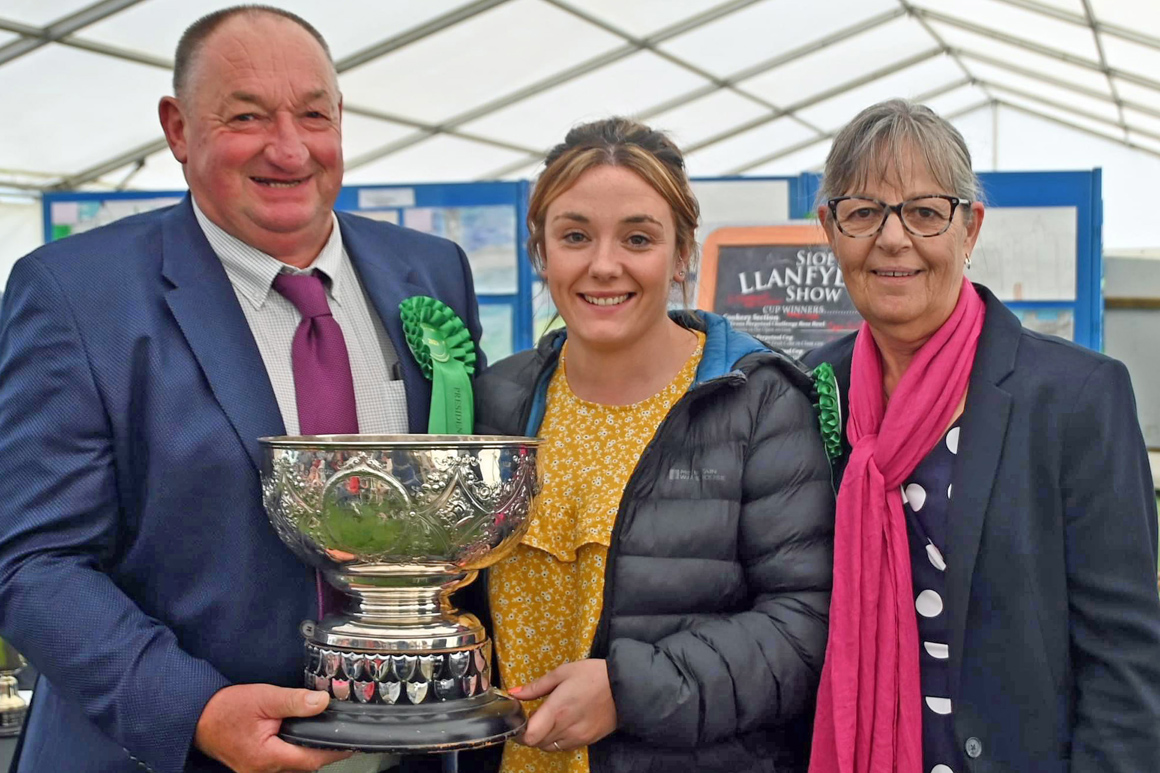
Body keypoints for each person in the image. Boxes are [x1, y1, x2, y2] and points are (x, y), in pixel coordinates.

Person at [0, 7, 483, 773]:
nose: (288, 148)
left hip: (407, 752)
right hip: (172, 754)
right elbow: (35, 561)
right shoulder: (74, 294)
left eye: (313, 115)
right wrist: (193, 707)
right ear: (179, 129)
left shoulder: (430, 271)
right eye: (247, 116)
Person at [803, 99, 1160, 773]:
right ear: (830, 228)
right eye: (863, 212)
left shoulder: (1077, 398)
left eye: (926, 212)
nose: (892, 238)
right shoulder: (810, 388)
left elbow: (1126, 662)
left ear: (969, 229)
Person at [470, 117, 835, 773]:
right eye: (575, 235)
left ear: (683, 251)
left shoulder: (757, 403)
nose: (603, 264)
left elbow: (803, 625)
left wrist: (627, 690)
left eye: (637, 237)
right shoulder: (500, 399)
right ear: (541, 251)